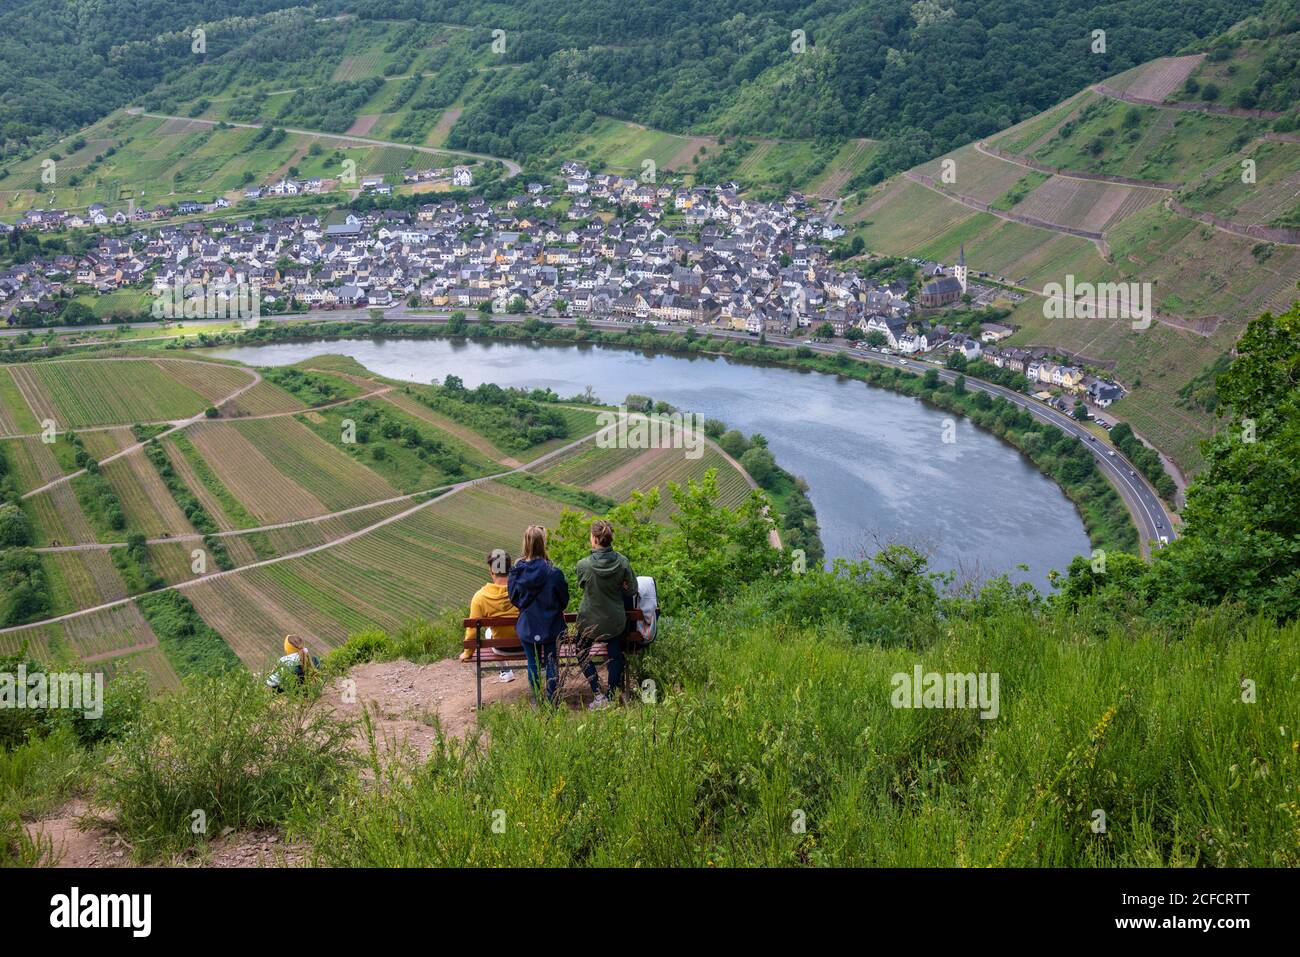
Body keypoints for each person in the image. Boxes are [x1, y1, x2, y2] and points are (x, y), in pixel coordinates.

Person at [575, 519, 637, 709]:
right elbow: (632, 589)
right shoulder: (623, 562)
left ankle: (596, 691)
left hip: (589, 621)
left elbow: (582, 586)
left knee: (580, 650)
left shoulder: (584, 565)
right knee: (615, 653)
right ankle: (611, 695)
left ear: (594, 539)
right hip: (615, 621)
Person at [507, 525, 568, 705]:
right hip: (551, 626)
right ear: (543, 544)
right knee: (551, 663)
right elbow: (563, 600)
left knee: (532, 663)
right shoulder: (554, 573)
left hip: (527, 626)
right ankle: (552, 700)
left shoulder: (516, 572)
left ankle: (536, 699)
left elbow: (514, 599)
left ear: (525, 543)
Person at [461, 549, 522, 684]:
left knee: (489, 631)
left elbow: (472, 631)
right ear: (510, 569)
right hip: (526, 643)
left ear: (491, 571)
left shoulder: (480, 597)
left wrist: (467, 653)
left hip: (501, 649)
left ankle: (506, 672)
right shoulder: (522, 589)